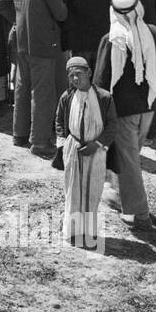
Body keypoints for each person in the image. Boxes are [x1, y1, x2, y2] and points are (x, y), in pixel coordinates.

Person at [93, 0, 156, 232]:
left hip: (122, 111)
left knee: (128, 162)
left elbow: (102, 81)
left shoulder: (112, 39)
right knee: (129, 157)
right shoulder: (154, 33)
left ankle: (140, 215)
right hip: (148, 107)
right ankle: (118, 195)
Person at [0, 0, 68, 156]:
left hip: (22, 45)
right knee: (43, 95)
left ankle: (20, 134)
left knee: (22, 89)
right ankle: (39, 141)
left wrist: (18, 20)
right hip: (44, 48)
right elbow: (61, 15)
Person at [54, 56, 117, 249]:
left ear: (89, 73)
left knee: (92, 190)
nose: (75, 79)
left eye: (78, 74)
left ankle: (89, 234)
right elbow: (59, 122)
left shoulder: (104, 98)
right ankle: (72, 232)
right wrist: (64, 144)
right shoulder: (67, 97)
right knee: (72, 191)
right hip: (73, 150)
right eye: (71, 75)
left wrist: (96, 144)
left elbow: (113, 125)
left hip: (96, 151)